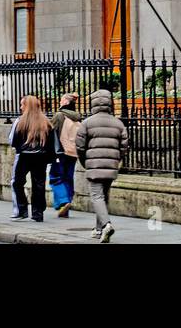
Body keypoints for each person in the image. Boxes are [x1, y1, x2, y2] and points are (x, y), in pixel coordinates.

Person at [75, 88, 129, 243]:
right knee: (104, 197)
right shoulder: (118, 123)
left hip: (93, 164)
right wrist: (117, 161)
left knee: (97, 196)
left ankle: (106, 225)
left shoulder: (87, 123)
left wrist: (85, 161)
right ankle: (98, 229)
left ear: (93, 103)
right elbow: (124, 146)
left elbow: (80, 146)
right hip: (111, 165)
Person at [10, 95, 56, 222]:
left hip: (24, 156)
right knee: (39, 185)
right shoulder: (45, 121)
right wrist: (50, 158)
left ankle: (22, 208)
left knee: (17, 182)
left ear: (27, 106)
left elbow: (14, 141)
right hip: (40, 157)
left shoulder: (21, 122)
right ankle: (38, 212)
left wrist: (20, 148)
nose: (20, 107)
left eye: (22, 105)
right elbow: (51, 142)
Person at [49, 92, 82, 218]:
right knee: (68, 178)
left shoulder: (59, 115)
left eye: (62, 100)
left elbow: (51, 131)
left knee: (56, 177)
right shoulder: (78, 117)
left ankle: (63, 201)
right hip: (73, 153)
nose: (60, 102)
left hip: (61, 152)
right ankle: (65, 206)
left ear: (66, 103)